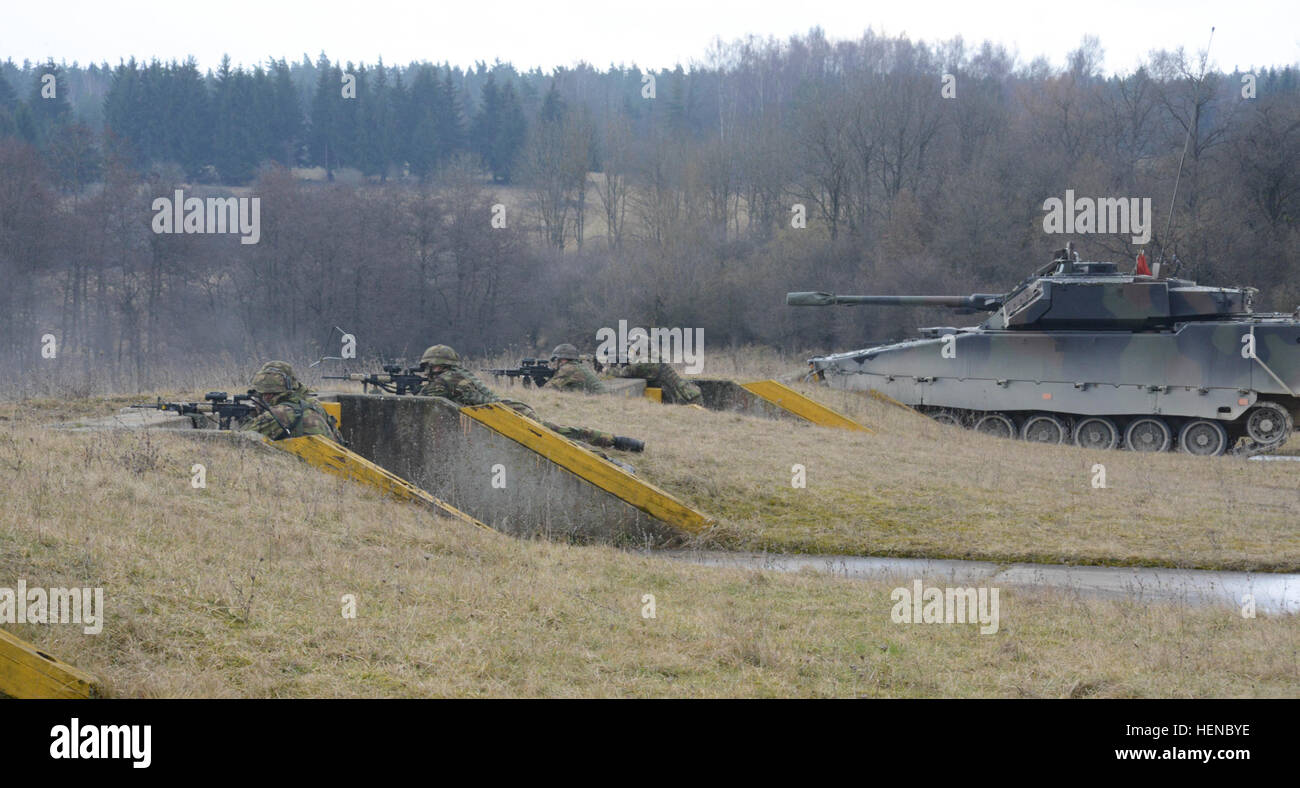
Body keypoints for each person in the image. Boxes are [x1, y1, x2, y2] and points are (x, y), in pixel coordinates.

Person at [416, 345, 644, 453]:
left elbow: (421, 402)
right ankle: (616, 441)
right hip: (510, 410)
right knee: (559, 432)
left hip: (507, 415)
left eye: (429, 366)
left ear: (438, 364)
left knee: (558, 439)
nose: (427, 370)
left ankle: (605, 455)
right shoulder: (457, 375)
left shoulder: (446, 380)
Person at [243, 360, 343, 442]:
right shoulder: (312, 403)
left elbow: (240, 440)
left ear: (267, 395)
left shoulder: (280, 413)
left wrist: (246, 420)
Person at [601, 359, 703, 405]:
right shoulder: (654, 360)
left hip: (687, 401)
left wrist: (605, 370)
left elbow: (624, 372)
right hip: (691, 396)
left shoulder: (648, 364)